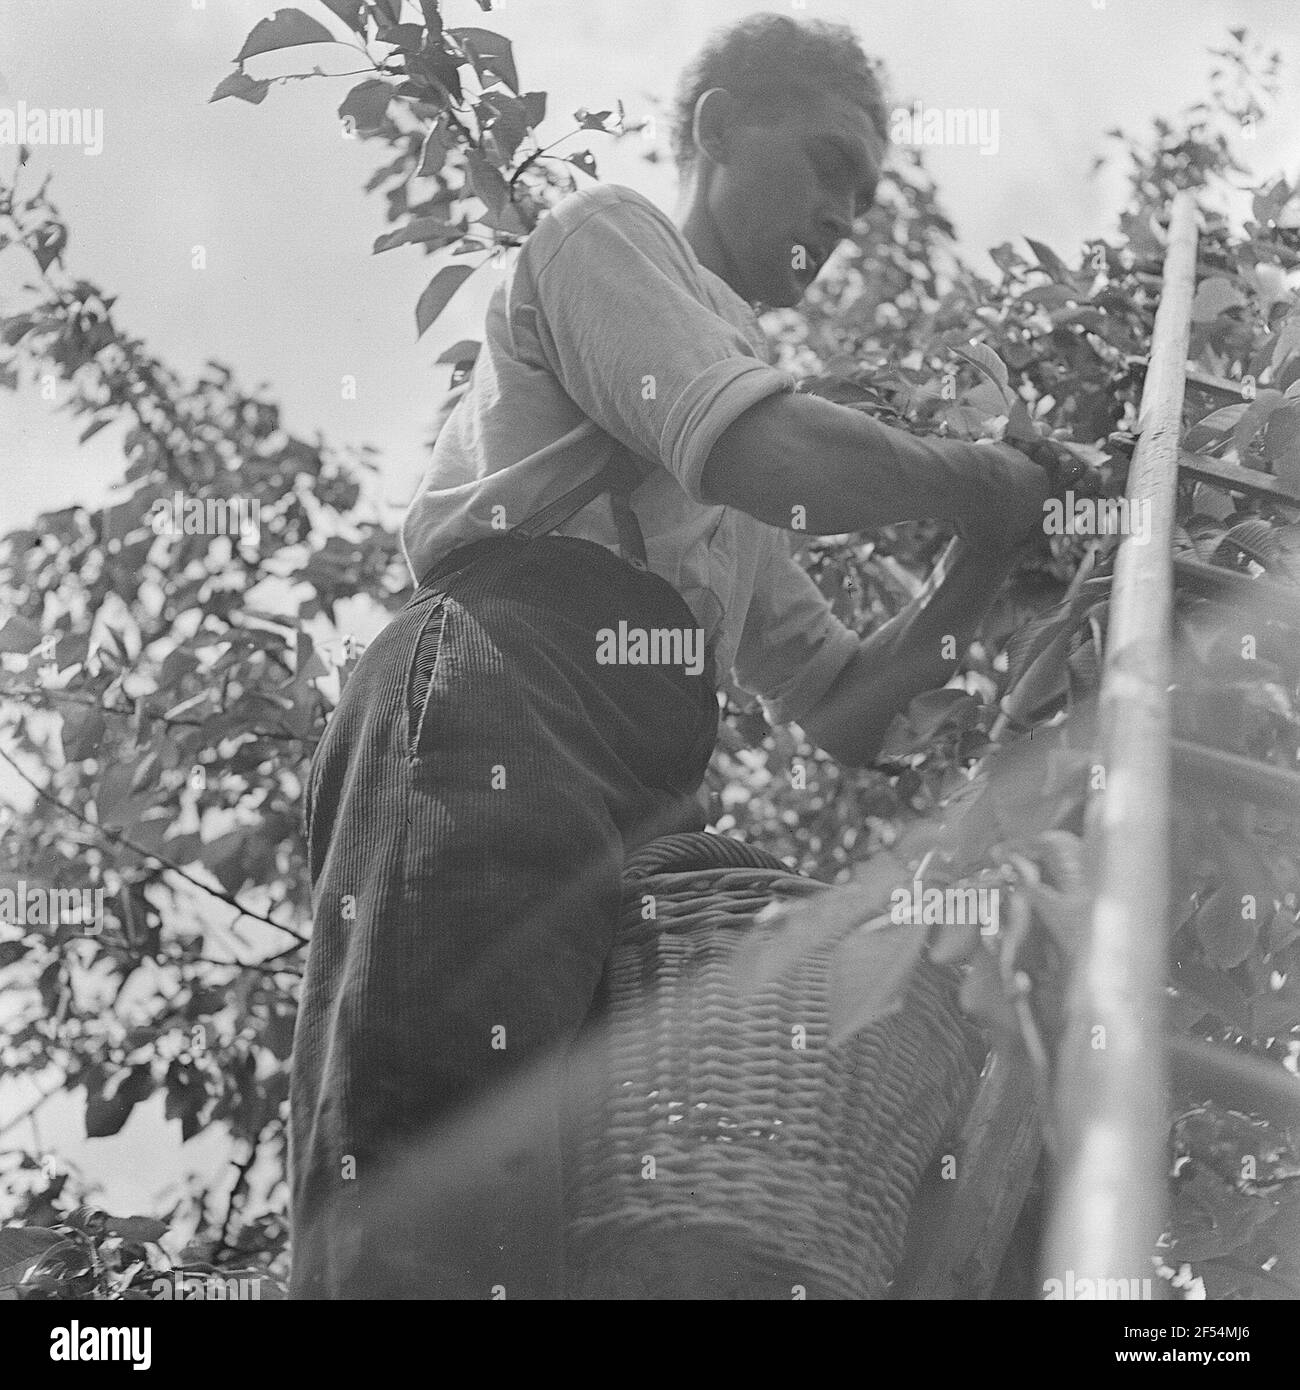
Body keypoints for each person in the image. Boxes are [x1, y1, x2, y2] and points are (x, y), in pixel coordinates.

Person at [289, 12, 1052, 1299]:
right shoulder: (609, 241)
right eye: (822, 162)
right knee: (438, 1121)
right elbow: (766, 454)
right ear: (715, 128)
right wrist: (984, 481)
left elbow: (849, 706)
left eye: (863, 194)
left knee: (574, 1183)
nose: (841, 210)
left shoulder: (740, 398)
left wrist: (988, 559)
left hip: (645, 777)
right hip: (504, 682)